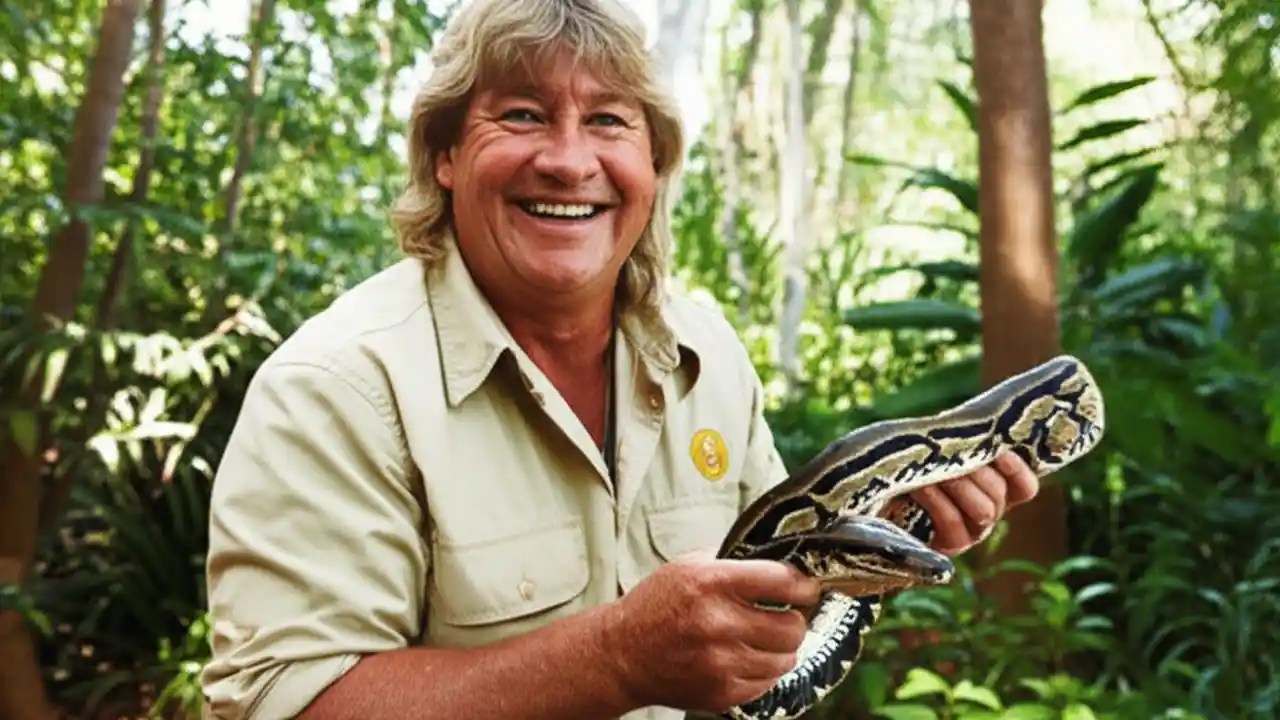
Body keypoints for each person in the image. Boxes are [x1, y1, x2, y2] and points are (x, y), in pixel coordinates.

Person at [199, 0, 1041, 718]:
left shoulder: (704, 351)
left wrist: (879, 539)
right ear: (446, 155)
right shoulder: (336, 389)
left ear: (652, 164)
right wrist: (614, 657)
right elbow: (288, 703)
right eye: (522, 114)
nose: (569, 160)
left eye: (608, 120)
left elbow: (770, 592)